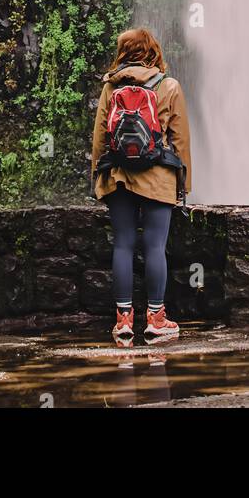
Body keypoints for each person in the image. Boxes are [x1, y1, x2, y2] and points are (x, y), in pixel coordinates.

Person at [91, 27, 192, 342]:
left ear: (123, 52)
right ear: (153, 51)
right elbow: (180, 141)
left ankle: (123, 323)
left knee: (122, 244)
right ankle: (156, 320)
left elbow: (99, 139)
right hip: (158, 178)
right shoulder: (169, 86)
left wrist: (99, 177)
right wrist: (184, 184)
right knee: (154, 247)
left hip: (118, 177)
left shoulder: (111, 86)